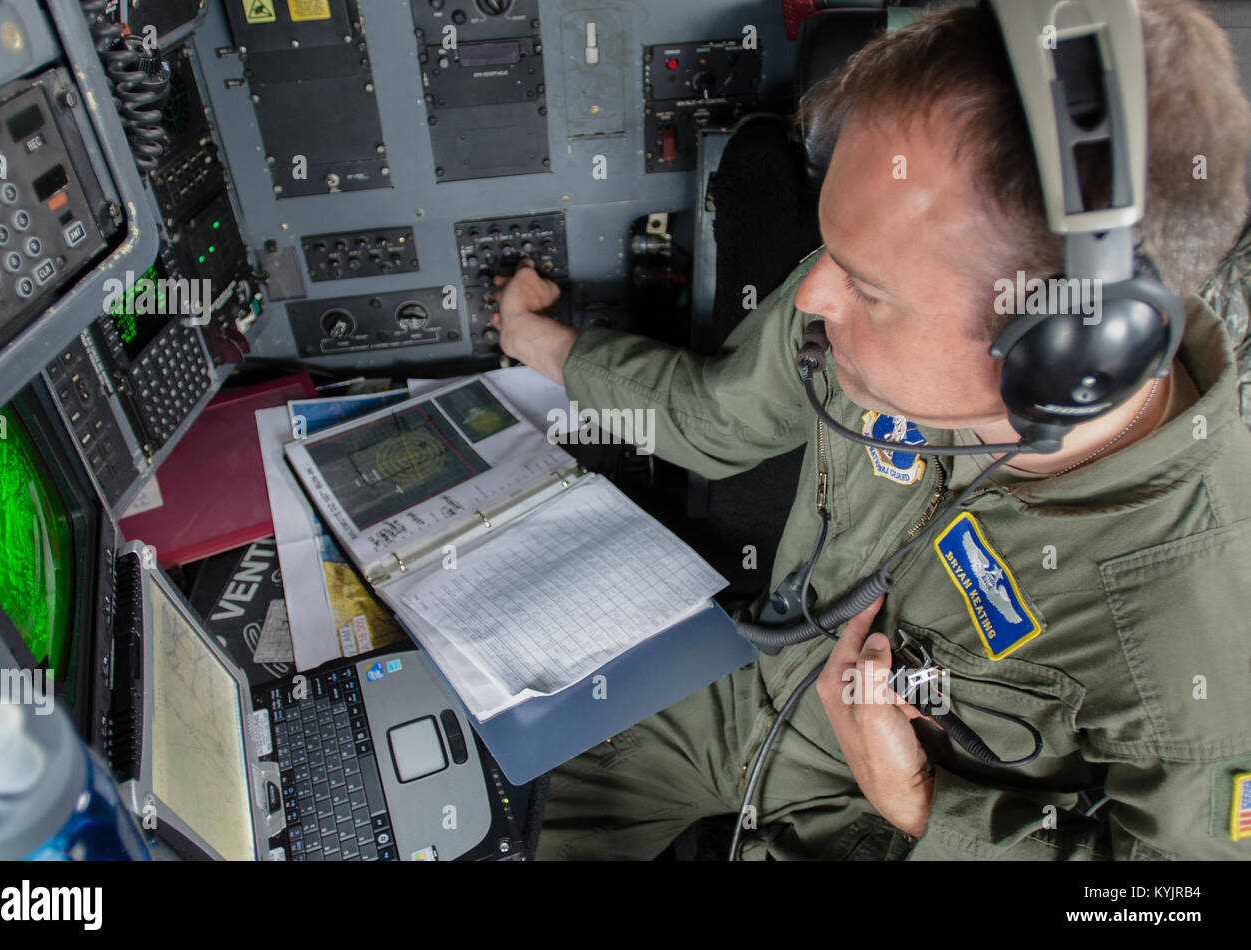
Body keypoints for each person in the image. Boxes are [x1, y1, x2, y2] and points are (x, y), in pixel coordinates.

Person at [491, 0, 1251, 859]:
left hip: (874, 828)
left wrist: (928, 810)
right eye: (832, 255)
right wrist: (540, 342)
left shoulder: (1207, 632)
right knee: (468, 804)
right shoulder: (872, 285)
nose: (812, 298)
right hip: (751, 689)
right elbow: (713, 418)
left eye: (867, 288)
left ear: (1067, 352)